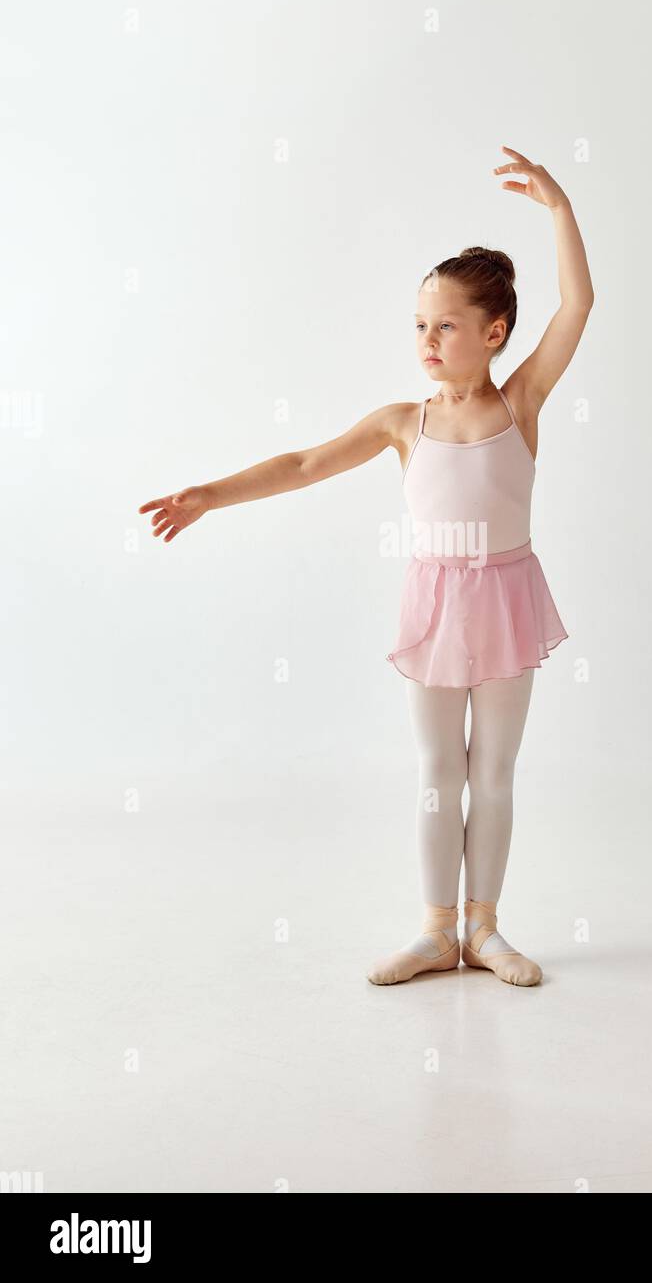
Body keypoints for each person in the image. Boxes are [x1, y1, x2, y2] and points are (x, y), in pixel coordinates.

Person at [139, 145, 594, 988]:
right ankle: (432, 930)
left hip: (505, 593)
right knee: (437, 772)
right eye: (419, 324)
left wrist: (560, 210)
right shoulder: (400, 422)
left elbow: (578, 304)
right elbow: (305, 464)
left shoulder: (519, 401)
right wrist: (209, 493)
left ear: (493, 333)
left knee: (492, 770)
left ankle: (484, 930)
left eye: (446, 325)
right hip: (435, 601)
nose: (427, 339)